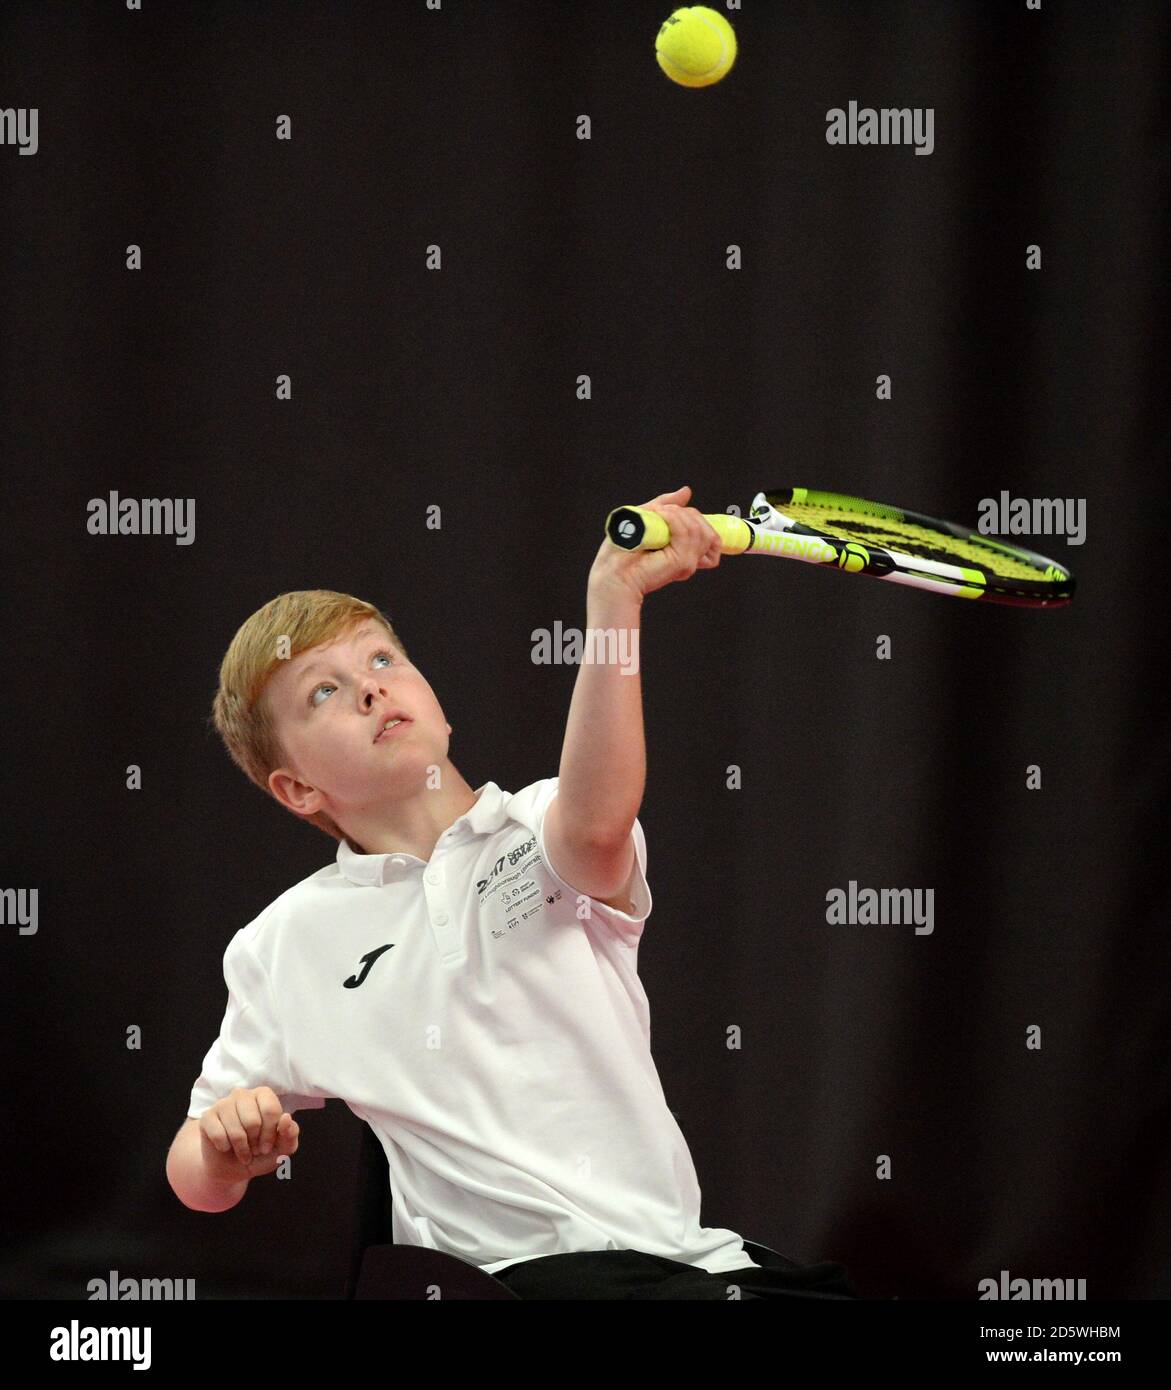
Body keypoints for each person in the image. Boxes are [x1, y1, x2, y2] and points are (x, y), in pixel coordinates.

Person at [164, 485, 860, 1300]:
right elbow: (195, 1176)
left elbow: (597, 827)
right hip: (487, 1289)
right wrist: (218, 1151)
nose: (370, 689)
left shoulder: (540, 826)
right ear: (295, 790)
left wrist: (613, 601)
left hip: (675, 1270)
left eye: (382, 659)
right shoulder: (282, 943)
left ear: (434, 700)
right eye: (323, 691)